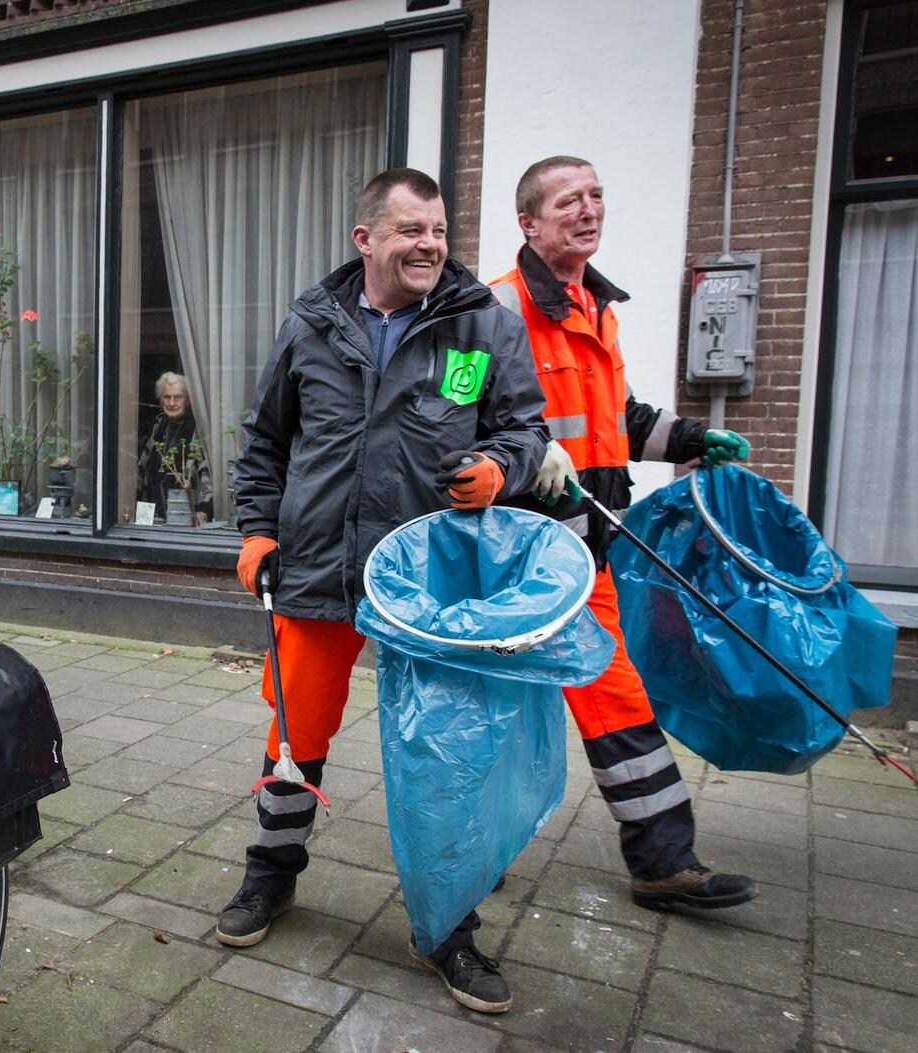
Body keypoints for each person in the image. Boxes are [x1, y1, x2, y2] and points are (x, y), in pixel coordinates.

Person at [224, 167, 549, 1014]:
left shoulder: (481, 325)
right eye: (410, 230)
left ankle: (448, 925)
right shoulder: (309, 327)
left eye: (437, 230)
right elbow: (264, 442)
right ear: (365, 238)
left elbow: (523, 428)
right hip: (319, 567)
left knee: (443, 749)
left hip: (429, 583)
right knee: (296, 730)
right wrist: (258, 530)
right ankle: (272, 874)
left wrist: (497, 468)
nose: (429, 245)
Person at [490, 155, 756, 912]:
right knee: (510, 708)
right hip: (523, 552)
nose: (589, 209)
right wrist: (521, 444)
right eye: (568, 200)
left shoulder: (596, 310)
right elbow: (448, 409)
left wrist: (695, 439)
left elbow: (621, 423)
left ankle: (664, 860)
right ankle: (484, 847)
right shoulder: (497, 308)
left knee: (615, 696)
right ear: (529, 223)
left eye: (597, 195)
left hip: (588, 549)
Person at [136, 372, 214, 525]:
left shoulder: (195, 429)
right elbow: (142, 468)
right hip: (155, 514)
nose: (172, 403)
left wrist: (204, 508)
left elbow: (206, 475)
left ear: (188, 400)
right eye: (167, 397)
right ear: (160, 399)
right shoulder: (158, 426)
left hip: (186, 515)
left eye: (178, 397)